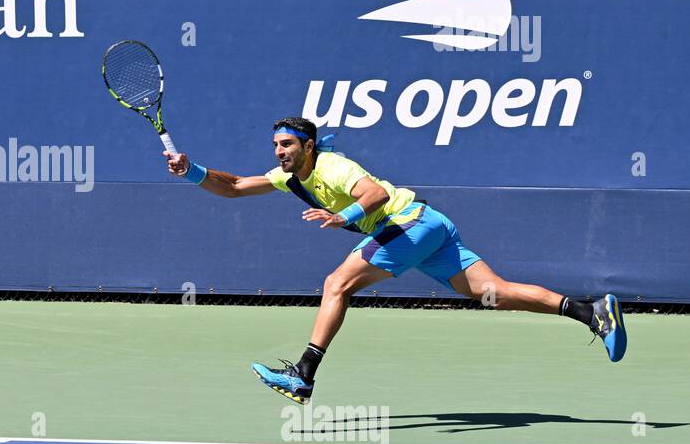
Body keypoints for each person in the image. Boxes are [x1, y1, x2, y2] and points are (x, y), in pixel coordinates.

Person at [164, 116, 627, 404]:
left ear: (308, 146)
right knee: (495, 294)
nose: (280, 152)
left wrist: (339, 215)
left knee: (336, 284)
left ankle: (303, 375)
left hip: (407, 224)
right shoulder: (288, 177)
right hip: (431, 226)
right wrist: (192, 172)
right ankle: (591, 311)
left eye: (287, 145)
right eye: (276, 146)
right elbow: (235, 186)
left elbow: (377, 193)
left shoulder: (333, 167)